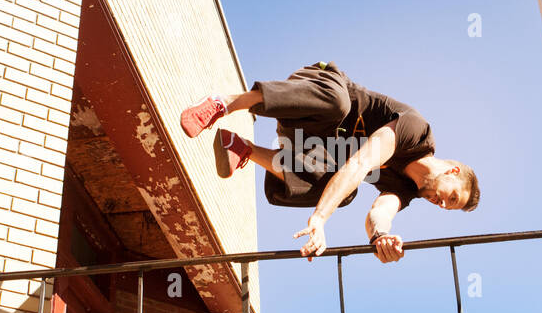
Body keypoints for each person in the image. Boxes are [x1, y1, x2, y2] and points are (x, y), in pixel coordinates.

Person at [180, 62, 480, 263]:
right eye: (451, 196)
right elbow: (360, 164)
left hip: (304, 140)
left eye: (446, 207)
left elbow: (380, 212)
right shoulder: (416, 131)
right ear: (452, 170)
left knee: (346, 194)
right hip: (316, 96)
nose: (440, 203)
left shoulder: (405, 191)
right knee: (339, 105)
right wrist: (320, 218)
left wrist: (381, 236)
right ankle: (224, 103)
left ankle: (242, 148)